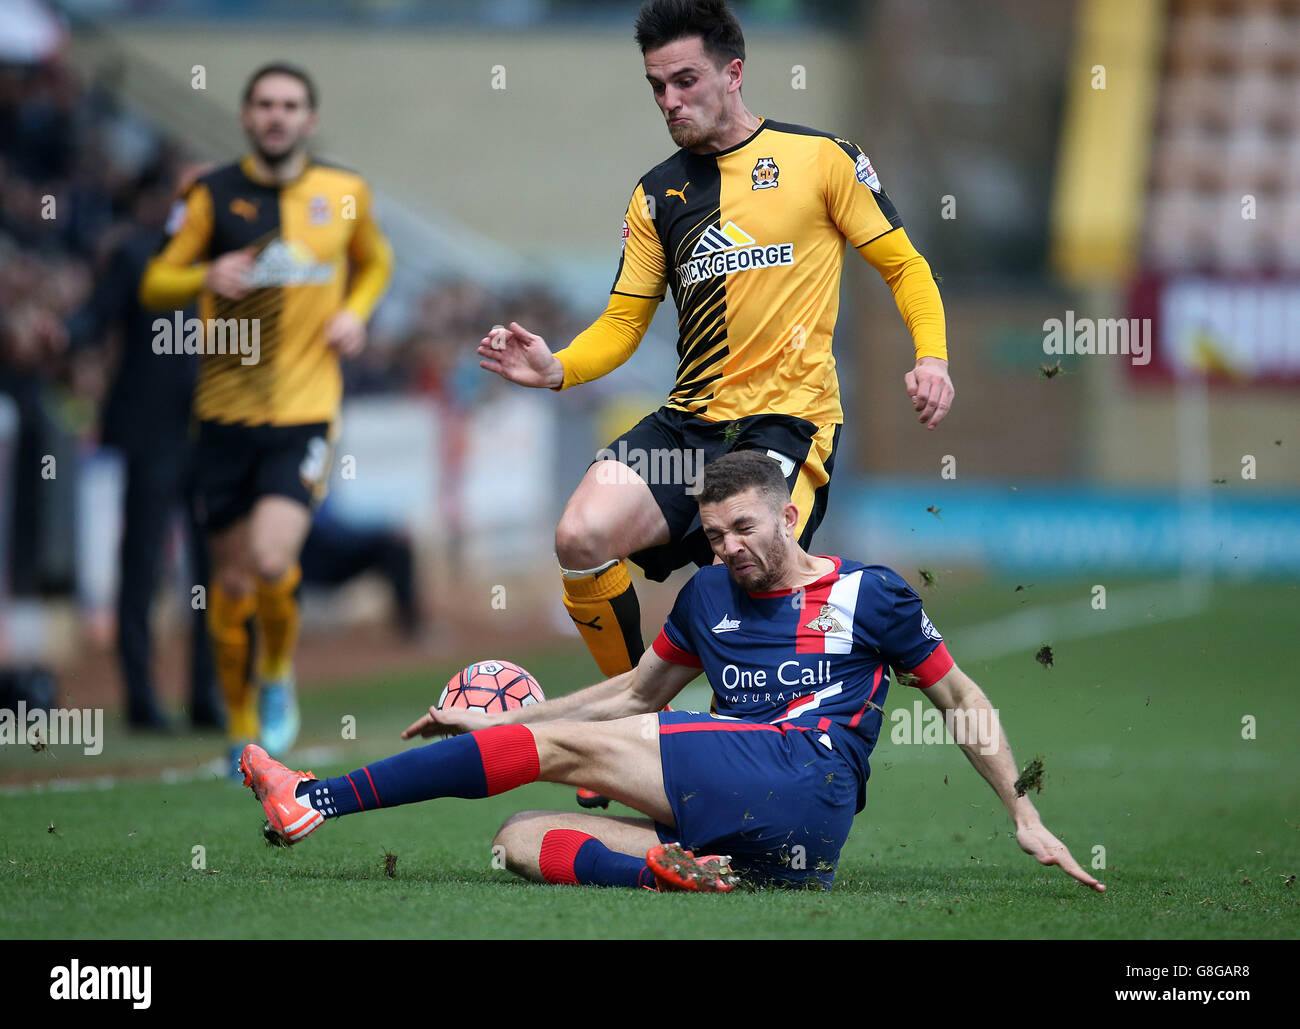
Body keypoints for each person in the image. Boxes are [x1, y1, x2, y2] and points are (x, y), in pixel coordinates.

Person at [477, 0, 953, 807]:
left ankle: (762, 770)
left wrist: (931, 357)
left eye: (685, 81)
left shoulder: (823, 158)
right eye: (657, 87)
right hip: (691, 421)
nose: (670, 101)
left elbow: (905, 267)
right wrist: (557, 366)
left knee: (757, 582)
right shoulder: (657, 195)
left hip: (786, 424)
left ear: (734, 73)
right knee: (580, 533)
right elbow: (625, 323)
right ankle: (627, 719)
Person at [240, 452, 1103, 894]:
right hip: (771, 843)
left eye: (743, 529)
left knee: (570, 751)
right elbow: (632, 695)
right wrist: (528, 718)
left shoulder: (867, 593)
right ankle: (669, 871)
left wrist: (1021, 812)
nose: (728, 548)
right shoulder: (706, 595)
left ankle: (314, 799)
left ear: (788, 513)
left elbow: (960, 696)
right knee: (520, 839)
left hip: (806, 771)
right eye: (715, 535)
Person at [139, 62, 393, 772]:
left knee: (274, 560)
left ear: (309, 120)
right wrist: (202, 276)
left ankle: (277, 673)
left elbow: (376, 264)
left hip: (305, 413)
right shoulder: (209, 193)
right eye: (264, 105)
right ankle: (241, 731)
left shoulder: (343, 194)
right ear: (247, 117)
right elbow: (156, 282)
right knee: (232, 585)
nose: (277, 116)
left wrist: (355, 313)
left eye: (290, 105)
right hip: (222, 418)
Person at [65, 167, 221, 731]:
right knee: (143, 567)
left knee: (212, 573)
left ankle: (207, 694)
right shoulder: (135, 254)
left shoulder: (230, 266)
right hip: (152, 434)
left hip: (212, 437)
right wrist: (59, 334)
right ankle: (141, 698)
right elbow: (94, 315)